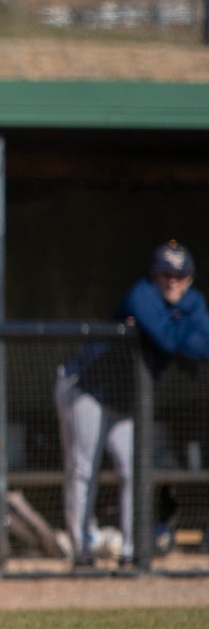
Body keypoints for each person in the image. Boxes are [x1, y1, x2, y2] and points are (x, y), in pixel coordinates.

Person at [55, 241, 209, 565]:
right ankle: (82, 551)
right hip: (87, 389)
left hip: (127, 402)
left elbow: (204, 345)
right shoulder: (142, 295)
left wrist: (175, 326)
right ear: (154, 274)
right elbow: (169, 339)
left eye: (181, 276)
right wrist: (183, 322)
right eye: (166, 274)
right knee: (84, 469)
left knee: (135, 470)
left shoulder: (192, 300)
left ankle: (131, 550)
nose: (173, 282)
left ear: (191, 279)